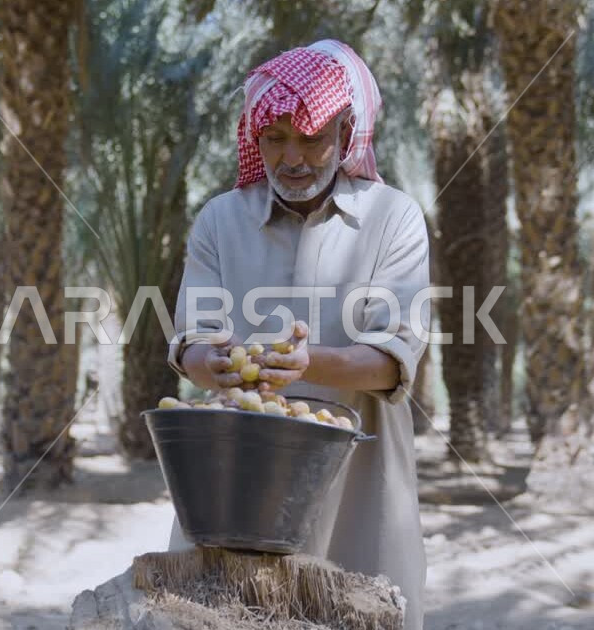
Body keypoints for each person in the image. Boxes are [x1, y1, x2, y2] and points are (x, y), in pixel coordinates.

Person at [165, 39, 429, 630]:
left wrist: (307, 365)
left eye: (311, 138)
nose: (294, 158)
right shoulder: (219, 220)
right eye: (275, 139)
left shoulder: (395, 218)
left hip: (362, 477)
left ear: (345, 134)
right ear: (254, 140)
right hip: (236, 477)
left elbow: (393, 360)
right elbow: (191, 345)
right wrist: (218, 363)